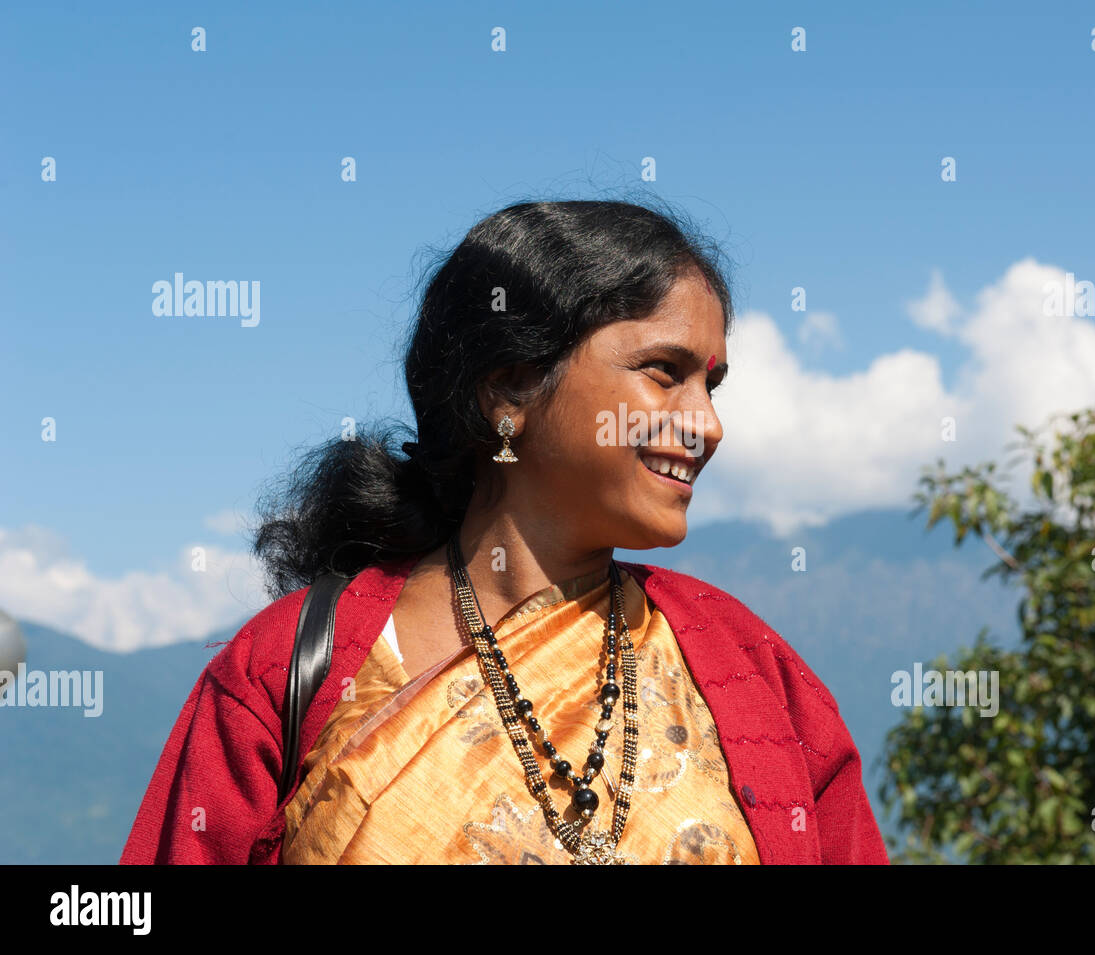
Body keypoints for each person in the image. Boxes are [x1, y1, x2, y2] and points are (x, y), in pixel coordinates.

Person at [119, 198, 889, 865]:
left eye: (712, 385)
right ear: (509, 386)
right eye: (664, 371)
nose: (707, 424)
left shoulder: (750, 672)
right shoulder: (286, 673)